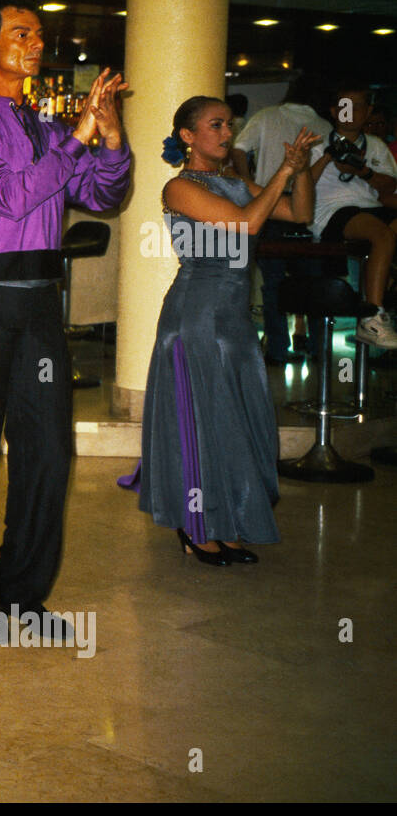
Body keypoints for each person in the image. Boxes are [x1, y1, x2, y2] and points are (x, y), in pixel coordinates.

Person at [0, 0, 131, 642]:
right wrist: (76, 136)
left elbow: (104, 193)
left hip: (40, 301)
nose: (35, 43)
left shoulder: (46, 129)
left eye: (40, 35)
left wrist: (108, 134)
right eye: (21, 33)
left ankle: (22, 595)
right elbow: (16, 196)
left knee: (48, 447)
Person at [133, 97, 317, 565]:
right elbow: (245, 223)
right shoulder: (180, 188)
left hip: (233, 317)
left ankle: (227, 519)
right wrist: (280, 175)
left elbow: (299, 215)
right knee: (200, 423)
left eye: (229, 125)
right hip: (197, 314)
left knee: (233, 420)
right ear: (188, 136)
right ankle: (196, 527)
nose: (227, 133)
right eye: (216, 125)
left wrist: (301, 168)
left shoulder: (234, 182)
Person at [231, 76, 332, 363]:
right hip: (305, 209)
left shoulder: (266, 116)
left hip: (269, 204)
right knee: (312, 284)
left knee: (273, 284)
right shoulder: (324, 128)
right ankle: (318, 349)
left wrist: (247, 183)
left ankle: (277, 349)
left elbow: (239, 149)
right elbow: (316, 177)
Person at [307, 84, 397, 348]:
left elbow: (389, 187)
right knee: (382, 234)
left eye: (358, 107)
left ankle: (384, 287)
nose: (351, 113)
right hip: (331, 211)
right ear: (334, 111)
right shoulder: (317, 141)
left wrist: (361, 170)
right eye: (346, 106)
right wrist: (328, 157)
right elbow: (301, 184)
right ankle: (372, 317)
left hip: (369, 207)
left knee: (385, 232)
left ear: (368, 111)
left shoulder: (376, 146)